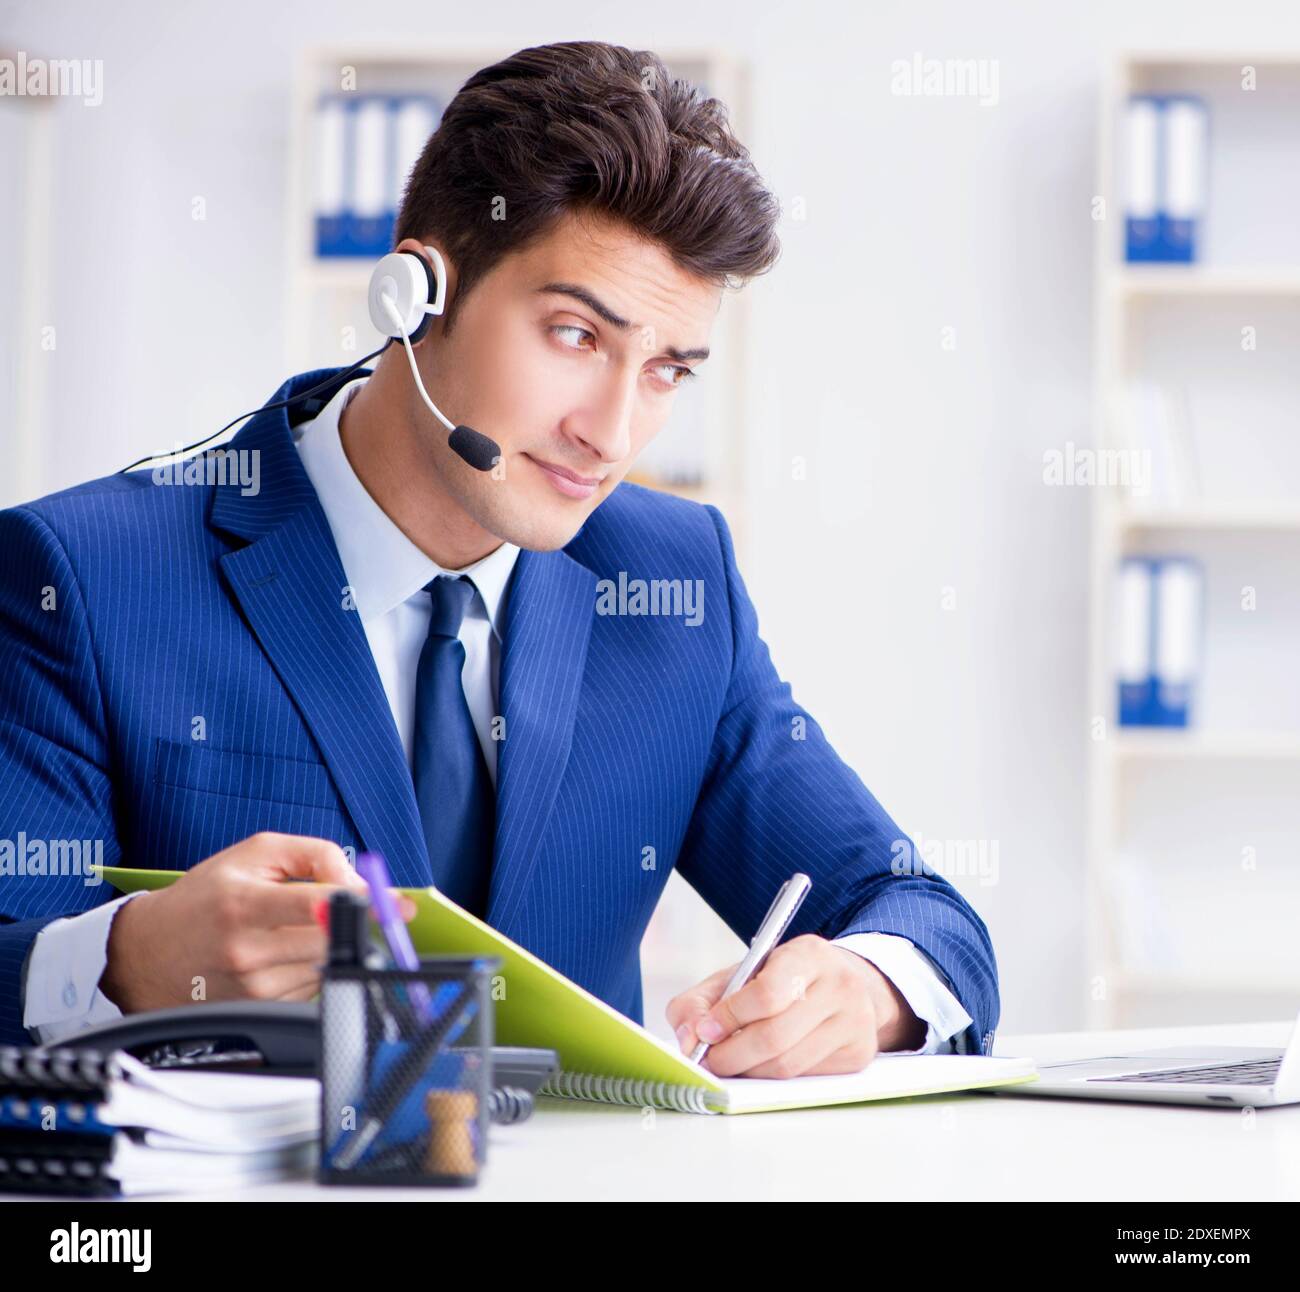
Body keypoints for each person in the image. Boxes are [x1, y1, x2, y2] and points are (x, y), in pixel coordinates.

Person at [0, 41, 997, 1075]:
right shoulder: (83, 573)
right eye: (574, 335)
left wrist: (865, 985)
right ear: (414, 292)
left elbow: (920, 911)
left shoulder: (671, 581)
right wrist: (123, 960)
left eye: (666, 369)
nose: (612, 432)